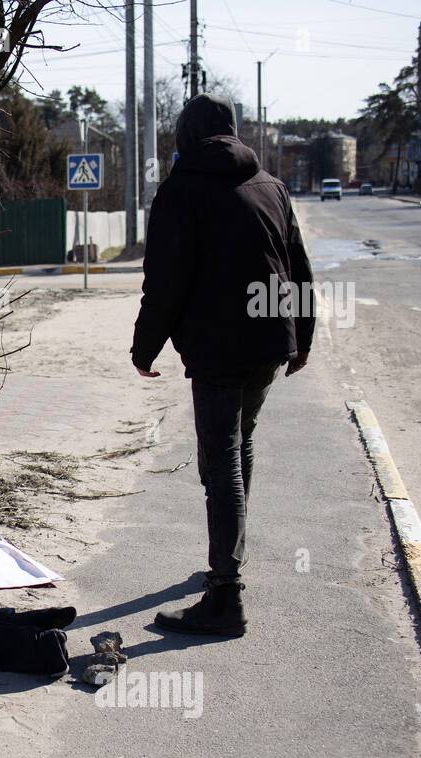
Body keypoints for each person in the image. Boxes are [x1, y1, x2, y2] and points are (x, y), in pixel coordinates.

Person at [130, 93, 314, 638]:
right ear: (232, 132)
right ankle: (228, 560)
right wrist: (302, 338)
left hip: (216, 347)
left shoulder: (180, 190)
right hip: (267, 342)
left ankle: (226, 595)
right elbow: (298, 267)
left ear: (185, 137)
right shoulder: (271, 186)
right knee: (240, 443)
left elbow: (165, 280)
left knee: (222, 462)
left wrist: (144, 349)